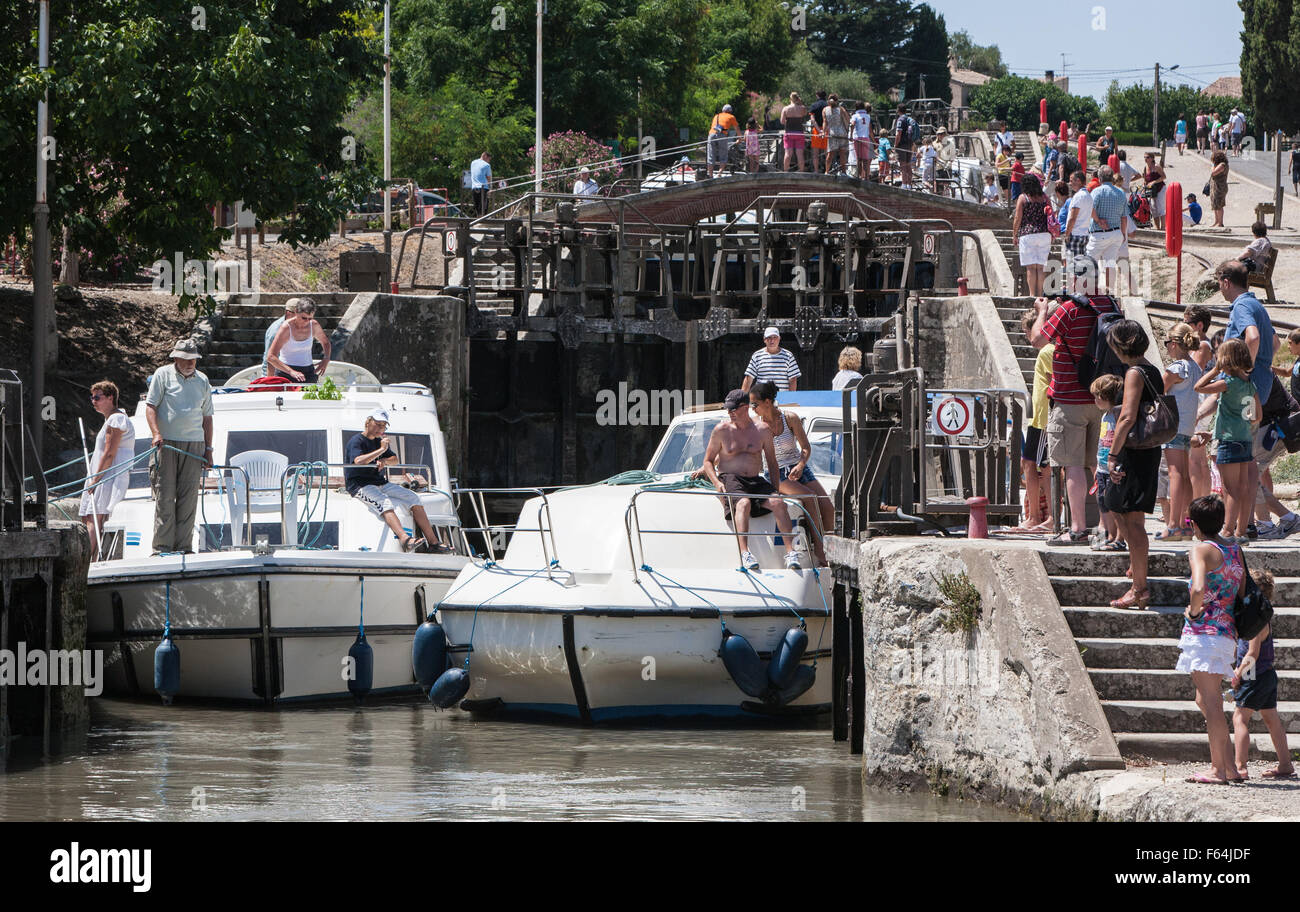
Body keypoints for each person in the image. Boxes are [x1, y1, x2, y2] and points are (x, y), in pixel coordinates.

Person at [1029, 277, 1118, 546]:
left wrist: (1042, 311)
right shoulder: (1111, 305)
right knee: (1100, 466)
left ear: (1079, 280)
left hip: (1069, 399)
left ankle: (1077, 528)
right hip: (1102, 398)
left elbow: (1037, 340)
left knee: (1073, 466)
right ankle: (1105, 526)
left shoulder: (1069, 309)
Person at [693, 389, 801, 570]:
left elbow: (772, 463)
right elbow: (708, 461)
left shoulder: (762, 429)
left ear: (745, 408)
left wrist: (775, 489)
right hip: (730, 478)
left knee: (778, 503)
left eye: (733, 409)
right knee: (743, 504)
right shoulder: (722, 430)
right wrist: (717, 483)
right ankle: (745, 553)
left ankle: (790, 553)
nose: (730, 413)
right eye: (728, 409)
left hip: (754, 479)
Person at [1179, 494, 1243, 784]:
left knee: (1212, 703)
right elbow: (1241, 592)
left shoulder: (1201, 549)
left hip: (1204, 632)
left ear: (1194, 524)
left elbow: (1198, 587)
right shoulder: (1234, 551)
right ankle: (1230, 766)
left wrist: (1193, 613)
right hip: (1228, 632)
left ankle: (1217, 771)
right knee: (1204, 699)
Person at [1102, 320, 1161, 605]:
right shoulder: (1151, 370)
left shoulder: (1135, 373)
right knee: (1117, 506)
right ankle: (1136, 568)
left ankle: (1140, 588)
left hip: (1134, 450)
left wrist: (1113, 454)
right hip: (1147, 448)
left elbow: (1126, 416)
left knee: (1134, 519)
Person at [749, 381, 835, 566]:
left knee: (828, 506)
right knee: (809, 497)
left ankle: (831, 548)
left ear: (767, 402)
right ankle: (820, 551)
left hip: (798, 467)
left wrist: (801, 465)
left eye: (754, 404)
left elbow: (805, 448)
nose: (752, 408)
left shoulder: (790, 418)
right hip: (776, 472)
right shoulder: (757, 426)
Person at [145, 339, 214, 555]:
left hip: (194, 445)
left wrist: (209, 450)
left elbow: (207, 417)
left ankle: (184, 547)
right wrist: (156, 433)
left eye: (193, 358)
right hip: (167, 444)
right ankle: (162, 548)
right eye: (185, 359)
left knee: (188, 498)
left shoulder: (203, 380)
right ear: (175, 358)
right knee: (165, 496)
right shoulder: (162, 374)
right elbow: (150, 406)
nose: (190, 362)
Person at [345, 409, 445, 553]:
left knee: (413, 497)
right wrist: (381, 450)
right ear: (368, 423)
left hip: (380, 482)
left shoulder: (380, 442)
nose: (380, 428)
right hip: (360, 485)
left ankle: (434, 543)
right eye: (378, 424)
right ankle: (405, 539)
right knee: (385, 502)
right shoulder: (357, 441)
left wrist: (384, 459)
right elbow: (358, 461)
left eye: (383, 425)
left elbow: (395, 460)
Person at [1220, 257, 1275, 518]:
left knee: (1243, 457)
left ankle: (1245, 520)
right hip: (1258, 389)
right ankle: (1250, 519)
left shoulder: (1240, 306)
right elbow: (1274, 343)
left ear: (1226, 282)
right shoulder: (1256, 304)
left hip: (1245, 393)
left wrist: (1245, 372)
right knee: (1247, 453)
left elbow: (1252, 337)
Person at [1229, 570, 1295, 780]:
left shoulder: (1258, 622)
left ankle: (1240, 767)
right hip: (1267, 675)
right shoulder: (1257, 618)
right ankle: (1285, 764)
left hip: (1254, 676)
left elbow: (1252, 653)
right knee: (1271, 719)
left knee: (1239, 717)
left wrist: (1238, 673)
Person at [1195, 338, 1261, 542]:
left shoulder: (1227, 383)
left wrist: (1215, 371)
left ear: (1226, 360)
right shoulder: (1250, 384)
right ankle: (1241, 530)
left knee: (1229, 489)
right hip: (1244, 439)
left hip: (1228, 439)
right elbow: (1257, 415)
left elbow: (1199, 387)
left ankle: (1227, 531)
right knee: (1242, 487)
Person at [79, 380, 137, 558]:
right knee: (90, 518)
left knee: (93, 519)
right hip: (102, 475)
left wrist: (95, 480)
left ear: (111, 397)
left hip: (107, 477)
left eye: (98, 397)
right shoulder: (111, 419)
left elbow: (110, 453)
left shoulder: (116, 419)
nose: (93, 401)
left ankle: (85, 563)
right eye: (92, 397)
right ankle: (91, 560)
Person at [1158, 324, 1204, 541]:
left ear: (1174, 344)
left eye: (1167, 344)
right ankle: (1185, 524)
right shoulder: (1195, 367)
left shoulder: (1176, 368)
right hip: (1187, 426)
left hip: (1172, 426)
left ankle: (1174, 524)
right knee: (1184, 475)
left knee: (1175, 473)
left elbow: (1158, 391)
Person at [1014, 310, 1053, 533]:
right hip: (1040, 417)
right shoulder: (1048, 351)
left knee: (1039, 466)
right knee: (1034, 464)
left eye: (1027, 332)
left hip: (1044, 418)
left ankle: (1039, 517)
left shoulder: (1047, 352)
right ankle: (1039, 516)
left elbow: (1053, 380)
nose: (1028, 338)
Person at [1090, 373, 1125, 550]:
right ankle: (1111, 535)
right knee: (1104, 502)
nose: (1094, 399)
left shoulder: (1117, 416)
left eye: (1097, 396)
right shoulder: (1104, 416)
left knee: (1115, 504)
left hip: (1115, 467)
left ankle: (1119, 537)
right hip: (1103, 467)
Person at [268, 298, 331, 384]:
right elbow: (271, 356)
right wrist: (291, 372)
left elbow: (326, 343)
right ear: (296, 312)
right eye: (304, 318)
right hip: (286, 372)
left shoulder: (313, 325)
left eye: (310, 318)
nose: (307, 322)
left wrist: (326, 359)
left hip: (308, 372)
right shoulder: (286, 327)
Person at [1087, 165, 1128, 293]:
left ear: (1099, 178)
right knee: (1110, 263)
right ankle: (1110, 292)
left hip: (1099, 233)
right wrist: (1123, 234)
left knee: (1090, 262)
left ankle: (1091, 291)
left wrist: (1098, 220)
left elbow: (1090, 208)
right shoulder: (1121, 193)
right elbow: (1124, 216)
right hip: (1116, 233)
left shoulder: (1097, 192)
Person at [1012, 173, 1052, 297]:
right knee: (1040, 267)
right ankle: (1040, 295)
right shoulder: (1045, 197)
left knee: (1030, 267)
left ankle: (1032, 295)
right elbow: (1051, 214)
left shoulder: (1023, 198)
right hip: (1044, 234)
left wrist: (1014, 234)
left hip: (1027, 234)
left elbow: (1018, 217)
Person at [741, 326, 800, 392]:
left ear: (779, 339)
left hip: (782, 398)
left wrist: (790, 398)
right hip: (762, 398)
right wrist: (742, 399)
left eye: (775, 337)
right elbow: (749, 378)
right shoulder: (757, 355)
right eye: (769, 337)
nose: (772, 340)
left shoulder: (788, 356)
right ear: (764, 340)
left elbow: (793, 379)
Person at [1063, 170, 1092, 289]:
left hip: (1075, 235)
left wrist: (1067, 233)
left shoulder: (1078, 196)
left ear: (1078, 181)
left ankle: (1072, 289)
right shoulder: (1088, 196)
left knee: (1072, 266)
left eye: (1071, 180)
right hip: (1084, 234)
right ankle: (1078, 288)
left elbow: (1072, 218)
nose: (1070, 183)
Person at [260, 300, 298, 377]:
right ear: (288, 313)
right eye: (299, 315)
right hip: (275, 375)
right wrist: (270, 383)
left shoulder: (296, 325)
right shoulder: (276, 331)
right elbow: (270, 360)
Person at [707, 104, 740, 178]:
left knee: (711, 155)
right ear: (730, 111)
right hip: (721, 135)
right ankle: (719, 173)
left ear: (723, 110)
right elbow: (737, 128)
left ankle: (710, 175)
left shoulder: (716, 116)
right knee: (723, 156)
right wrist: (739, 138)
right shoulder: (731, 117)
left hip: (711, 135)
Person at [822, 95, 850, 175]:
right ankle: (844, 172)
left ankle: (827, 171)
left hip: (832, 133)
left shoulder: (825, 110)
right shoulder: (841, 109)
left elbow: (825, 122)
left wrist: (823, 132)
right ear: (837, 101)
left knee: (830, 153)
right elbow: (848, 119)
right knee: (842, 154)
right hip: (842, 133)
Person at [781, 92, 809, 173]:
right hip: (799, 132)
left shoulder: (785, 108)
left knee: (788, 154)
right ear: (797, 99)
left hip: (789, 132)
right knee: (799, 154)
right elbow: (805, 114)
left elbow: (782, 121)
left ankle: (785, 171)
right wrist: (800, 103)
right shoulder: (802, 108)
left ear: (790, 99)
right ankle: (801, 171)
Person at [893, 105, 917, 189]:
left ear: (898, 110)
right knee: (908, 165)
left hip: (902, 145)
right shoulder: (908, 119)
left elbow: (898, 134)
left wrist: (895, 145)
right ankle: (909, 185)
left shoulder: (900, 120)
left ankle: (903, 185)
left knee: (903, 165)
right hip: (909, 144)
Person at [1142, 151, 1167, 230]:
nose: (1146, 159)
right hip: (1151, 190)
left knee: (1160, 208)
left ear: (1152, 158)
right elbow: (1145, 179)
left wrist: (1154, 182)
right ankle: (1157, 228)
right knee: (1153, 208)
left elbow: (1164, 176)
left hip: (1160, 188)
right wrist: (1144, 186)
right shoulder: (1145, 168)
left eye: (1147, 157)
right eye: (1145, 157)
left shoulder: (1156, 166)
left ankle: (1163, 227)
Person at [850, 102, 874, 180]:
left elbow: (852, 124)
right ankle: (866, 177)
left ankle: (859, 176)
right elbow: (870, 129)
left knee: (859, 158)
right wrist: (873, 141)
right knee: (865, 159)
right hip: (866, 138)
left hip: (857, 138)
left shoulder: (855, 116)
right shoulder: (868, 116)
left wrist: (850, 135)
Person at [808, 91, 828, 173]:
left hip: (816, 131)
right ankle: (827, 171)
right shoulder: (828, 106)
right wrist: (824, 130)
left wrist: (819, 130)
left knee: (815, 153)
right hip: (826, 130)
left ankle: (816, 170)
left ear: (817, 96)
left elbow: (812, 120)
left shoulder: (814, 105)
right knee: (827, 153)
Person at [1209, 150, 1229, 227]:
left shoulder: (1222, 165)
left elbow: (1213, 173)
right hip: (1215, 186)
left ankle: (1220, 223)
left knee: (1219, 205)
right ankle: (1216, 221)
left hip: (1220, 187)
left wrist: (1213, 166)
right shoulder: (1220, 164)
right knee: (1215, 204)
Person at [470, 151, 492, 215]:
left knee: (477, 207)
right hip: (483, 188)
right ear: (485, 156)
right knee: (484, 208)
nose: (489, 161)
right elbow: (488, 178)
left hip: (474, 187)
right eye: (489, 159)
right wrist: (490, 188)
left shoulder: (473, 163)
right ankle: (482, 222)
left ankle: (478, 221)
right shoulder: (487, 165)